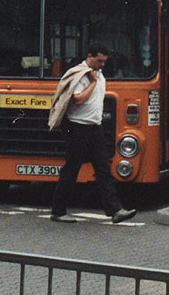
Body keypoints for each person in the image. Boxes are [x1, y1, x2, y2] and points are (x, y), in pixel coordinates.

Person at [47, 43, 136, 224]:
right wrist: (93, 82)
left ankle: (115, 210)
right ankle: (58, 210)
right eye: (99, 60)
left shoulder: (99, 74)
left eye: (104, 61)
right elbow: (78, 99)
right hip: (77, 128)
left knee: (103, 169)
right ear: (90, 56)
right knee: (72, 169)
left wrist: (97, 79)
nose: (102, 64)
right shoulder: (80, 74)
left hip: (95, 128)